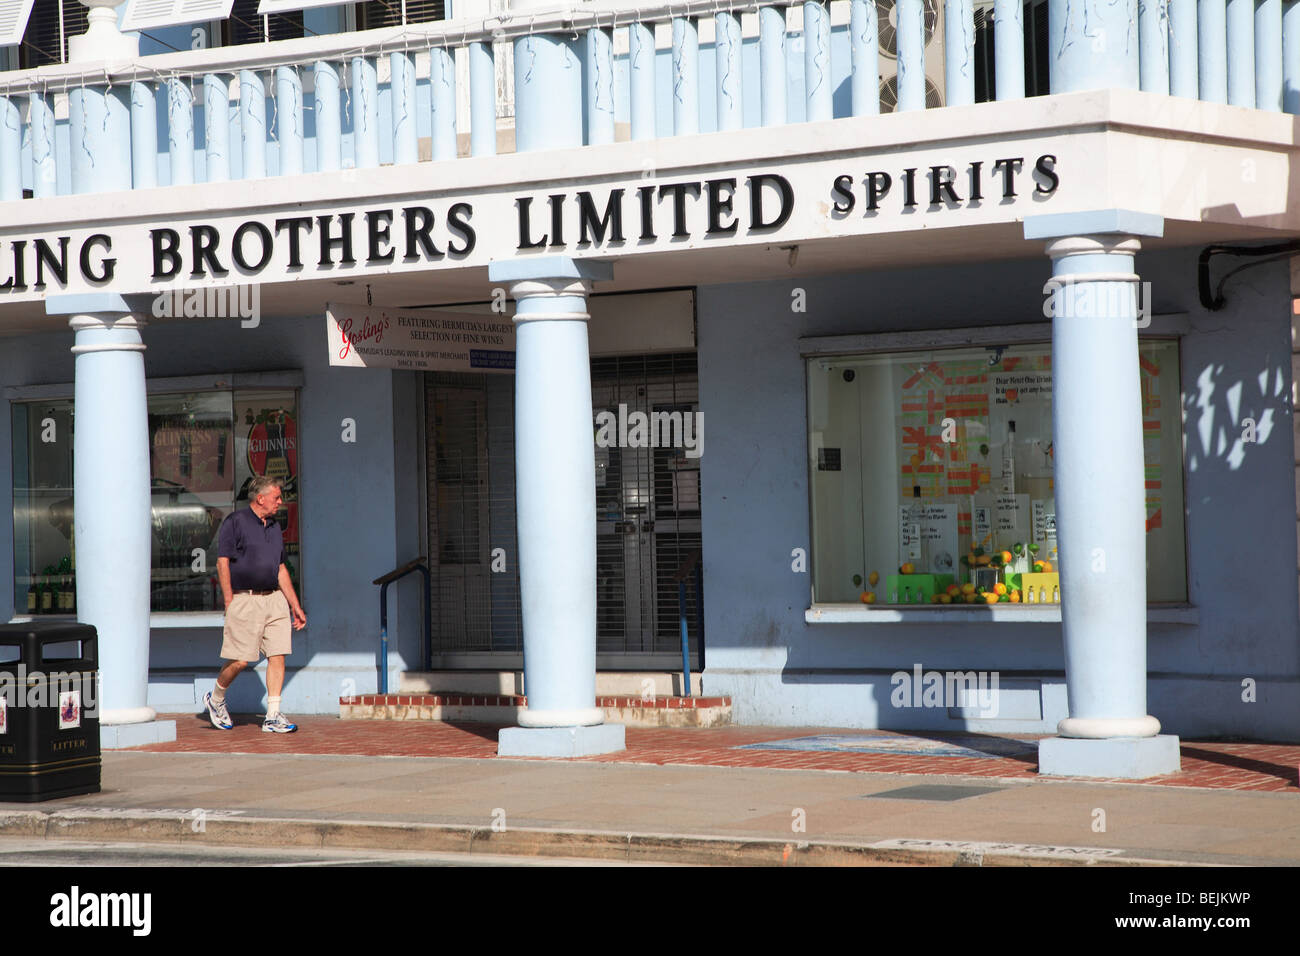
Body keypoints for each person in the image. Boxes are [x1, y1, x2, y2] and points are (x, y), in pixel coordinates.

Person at [203, 476, 307, 733]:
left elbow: (280, 568)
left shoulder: (273, 527)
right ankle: (215, 699)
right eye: (277, 497)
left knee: (277, 654)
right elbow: (222, 562)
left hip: (274, 599)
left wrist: (295, 605)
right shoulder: (235, 522)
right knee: (240, 660)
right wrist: (229, 599)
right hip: (245, 599)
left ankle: (272, 715)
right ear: (260, 498)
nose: (280, 502)